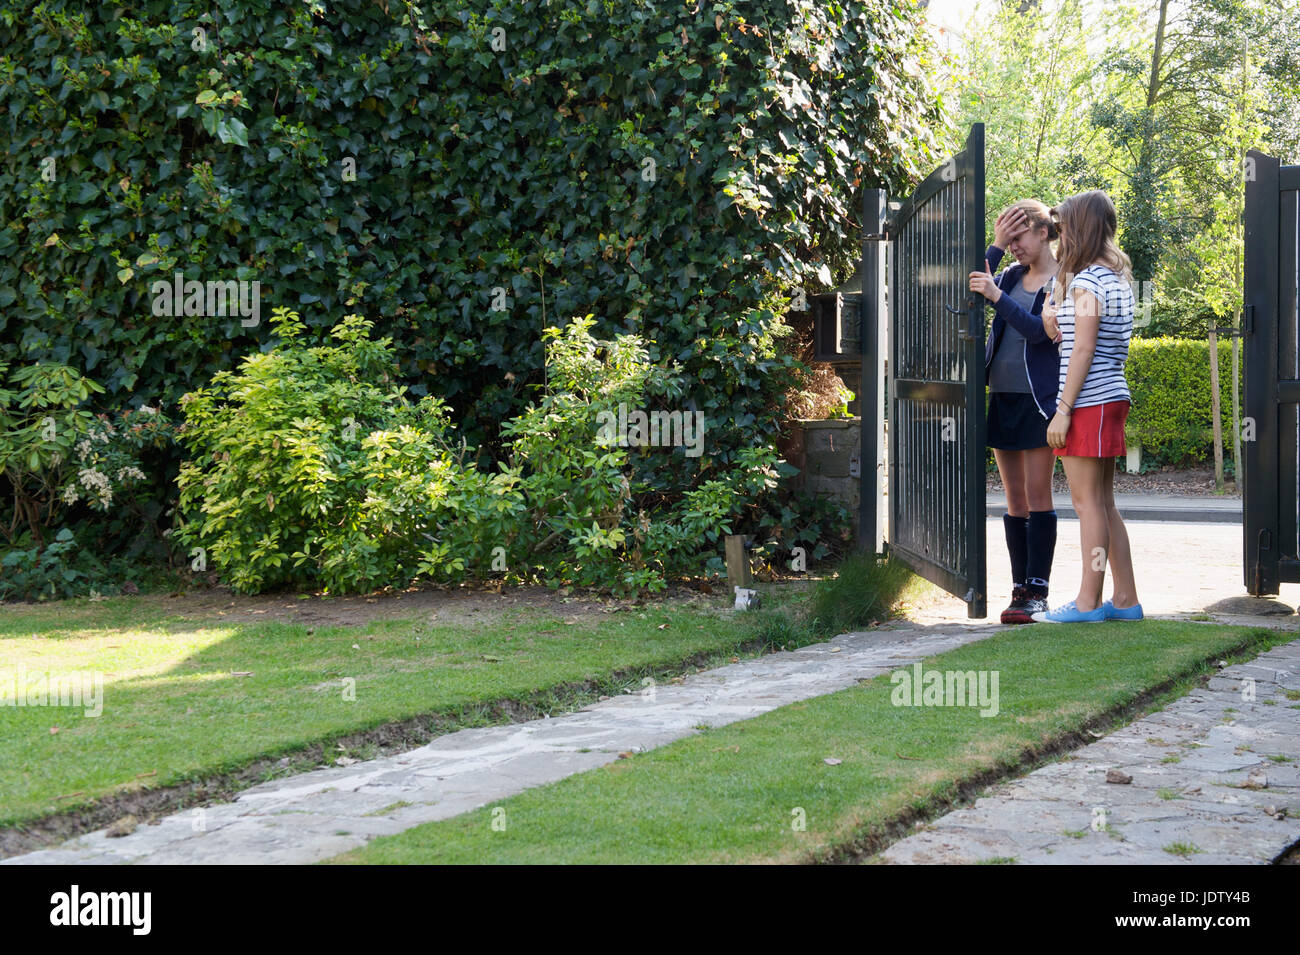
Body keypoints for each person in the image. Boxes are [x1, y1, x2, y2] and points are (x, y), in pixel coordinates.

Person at [1031, 190, 1143, 623]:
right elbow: (1077, 338)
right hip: (1111, 395)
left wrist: (1063, 409)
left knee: (1087, 505)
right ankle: (1126, 599)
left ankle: (1087, 602)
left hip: (1089, 401)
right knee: (1104, 502)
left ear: (1080, 229)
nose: (1059, 235)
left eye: (1063, 228)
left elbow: (1084, 350)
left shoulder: (1086, 281)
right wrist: (1051, 317)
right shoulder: (1113, 277)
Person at [968, 201, 1062, 624]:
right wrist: (995, 245)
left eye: (1019, 237)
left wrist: (997, 296)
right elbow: (967, 288)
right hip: (1002, 396)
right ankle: (1019, 588)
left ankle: (1038, 591)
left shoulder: (1064, 280)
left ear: (1043, 232)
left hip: (1039, 401)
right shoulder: (1007, 275)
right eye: (1010, 239)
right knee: (1014, 500)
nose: (1016, 246)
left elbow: (1038, 333)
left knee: (1039, 495)